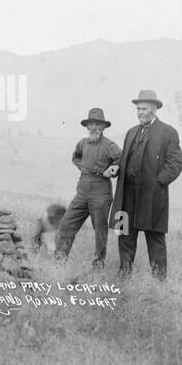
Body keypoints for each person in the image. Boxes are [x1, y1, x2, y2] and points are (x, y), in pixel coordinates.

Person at [110, 89, 182, 278]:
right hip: (126, 196)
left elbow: (175, 164)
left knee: (155, 238)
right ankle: (124, 275)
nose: (140, 112)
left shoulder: (168, 132)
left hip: (151, 197)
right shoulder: (131, 132)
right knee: (124, 235)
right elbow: (124, 157)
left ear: (154, 109)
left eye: (144, 109)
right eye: (138, 109)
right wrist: (117, 167)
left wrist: (158, 184)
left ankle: (159, 281)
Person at [55, 107, 122, 268]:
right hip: (82, 192)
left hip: (101, 195)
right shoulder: (82, 143)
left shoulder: (110, 145)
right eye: (90, 124)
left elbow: (121, 159)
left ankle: (98, 265)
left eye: (97, 125)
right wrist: (83, 167)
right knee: (66, 225)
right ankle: (59, 262)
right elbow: (75, 156)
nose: (93, 128)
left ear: (103, 127)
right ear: (87, 126)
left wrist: (114, 168)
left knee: (100, 231)